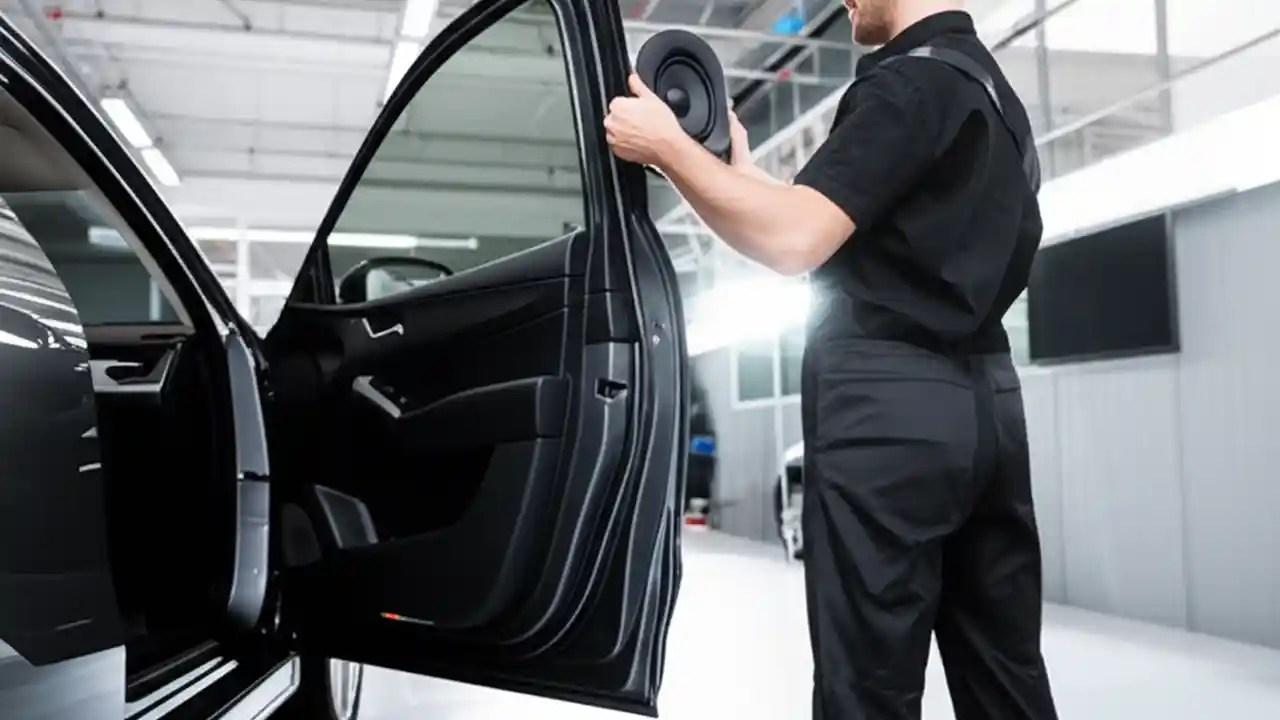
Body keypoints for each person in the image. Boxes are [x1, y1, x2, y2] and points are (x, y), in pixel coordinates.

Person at [604, 0, 1059, 718]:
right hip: (989, 410)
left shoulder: (904, 86)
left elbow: (792, 241)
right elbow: (817, 214)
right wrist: (734, 173)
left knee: (867, 688)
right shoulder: (990, 92)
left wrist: (667, 149)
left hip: (890, 415)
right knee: (1005, 681)